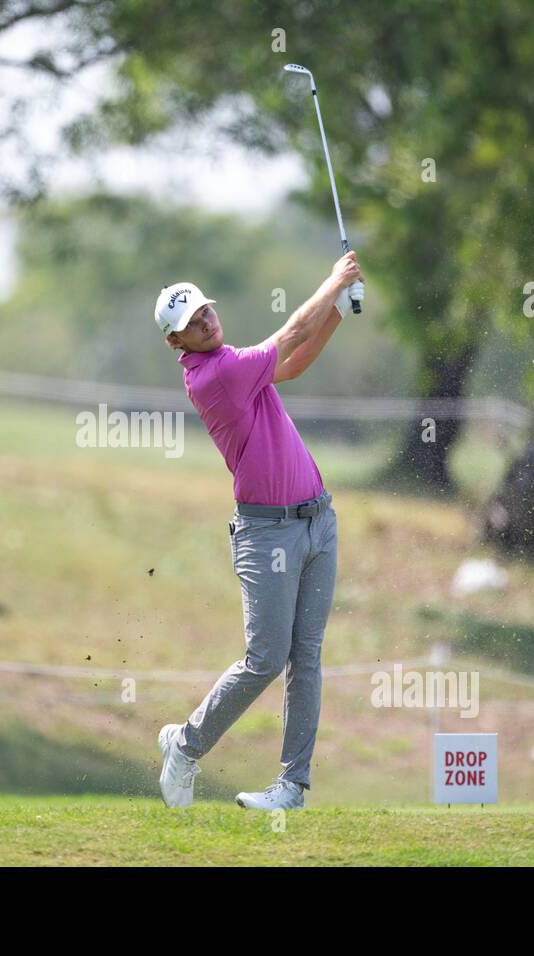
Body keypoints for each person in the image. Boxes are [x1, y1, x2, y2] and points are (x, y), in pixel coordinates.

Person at [152, 251, 364, 810]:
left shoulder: (234, 364)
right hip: (268, 537)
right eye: (190, 324)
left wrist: (339, 310)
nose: (203, 321)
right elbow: (293, 332)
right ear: (177, 344)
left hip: (319, 521)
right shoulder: (217, 375)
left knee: (307, 658)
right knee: (265, 659)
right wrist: (334, 280)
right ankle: (186, 745)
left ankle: (292, 787)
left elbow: (294, 364)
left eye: (203, 311)